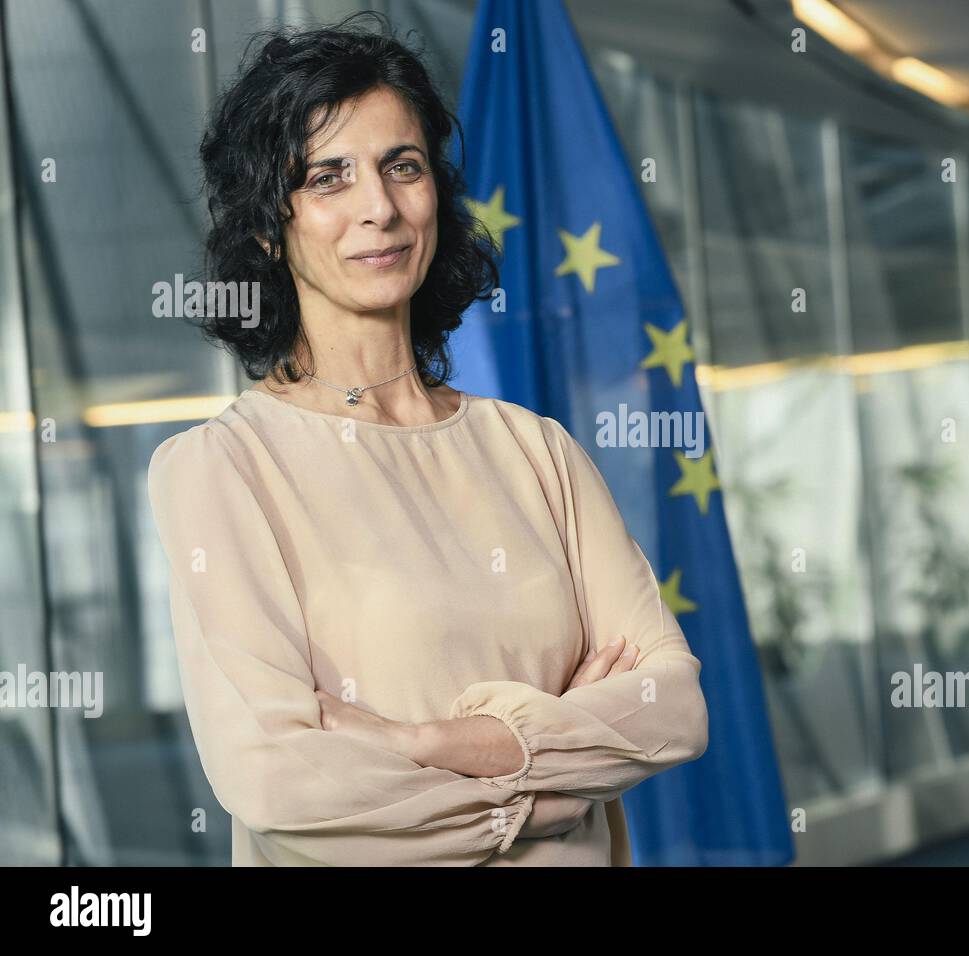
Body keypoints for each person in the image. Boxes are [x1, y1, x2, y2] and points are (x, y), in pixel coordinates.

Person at [147, 12, 708, 866]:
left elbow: (672, 710)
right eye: (328, 177)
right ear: (269, 223)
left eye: (401, 167)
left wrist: (438, 743)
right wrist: (551, 789)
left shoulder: (538, 451)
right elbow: (279, 782)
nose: (379, 207)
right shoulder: (220, 469)